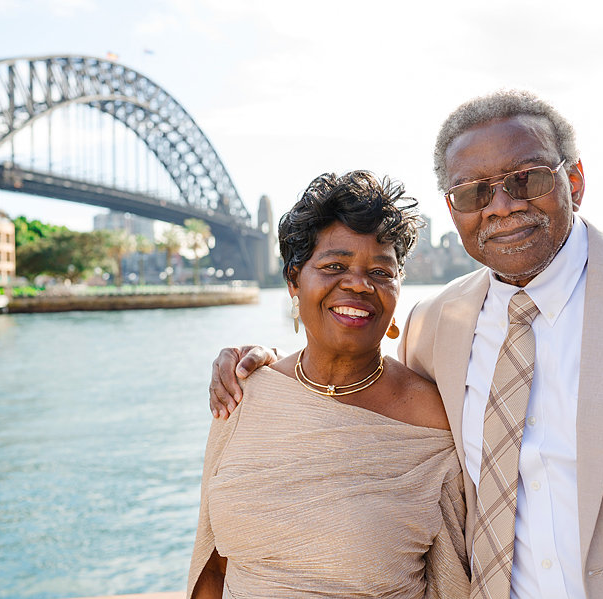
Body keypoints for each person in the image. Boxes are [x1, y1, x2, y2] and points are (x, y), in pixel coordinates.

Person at [209, 90, 603, 599]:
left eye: (527, 179)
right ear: (453, 208)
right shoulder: (435, 326)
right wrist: (258, 364)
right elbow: (343, 398)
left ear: (574, 181)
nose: (503, 206)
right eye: (473, 193)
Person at [188, 171, 470, 598]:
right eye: (334, 266)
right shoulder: (244, 393)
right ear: (293, 282)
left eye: (380, 271)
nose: (359, 283)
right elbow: (213, 568)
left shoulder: (433, 421)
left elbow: (450, 582)